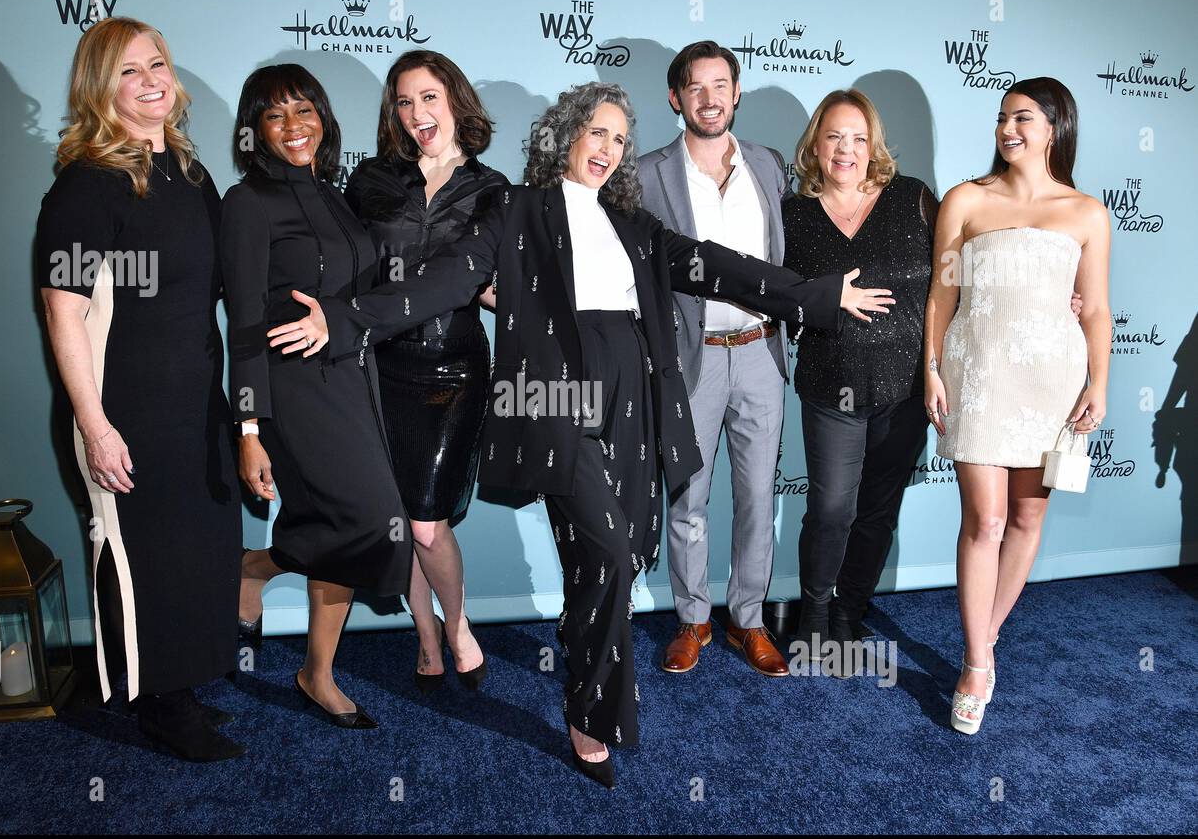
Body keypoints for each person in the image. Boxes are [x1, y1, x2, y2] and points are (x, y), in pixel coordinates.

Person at [278, 80, 888, 787]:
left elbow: (717, 266)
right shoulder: (517, 208)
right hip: (554, 395)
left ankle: (580, 639)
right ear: (566, 133)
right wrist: (348, 318)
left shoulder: (633, 226)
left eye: (620, 139)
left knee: (617, 555)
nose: (608, 148)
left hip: (633, 390)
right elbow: (450, 278)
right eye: (597, 131)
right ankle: (590, 709)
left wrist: (816, 295)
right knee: (603, 545)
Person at [223, 64, 485, 729]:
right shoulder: (246, 203)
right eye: (276, 115)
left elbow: (388, 278)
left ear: (324, 119)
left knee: (358, 528)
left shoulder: (337, 194)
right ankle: (262, 574)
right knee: (370, 521)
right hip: (293, 388)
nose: (293, 126)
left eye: (305, 110)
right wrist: (250, 424)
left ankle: (311, 661)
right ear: (254, 129)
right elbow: (245, 323)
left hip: (353, 379)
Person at [37, 17, 243, 761]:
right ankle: (156, 705)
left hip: (194, 404)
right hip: (122, 408)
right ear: (100, 88)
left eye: (157, 63)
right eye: (129, 71)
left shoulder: (189, 174)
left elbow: (229, 279)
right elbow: (63, 310)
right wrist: (95, 423)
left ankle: (179, 686)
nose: (151, 79)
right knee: (139, 555)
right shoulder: (88, 185)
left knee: (196, 548)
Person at [924, 76, 1110, 734]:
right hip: (978, 377)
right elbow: (942, 297)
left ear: (1054, 126)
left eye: (1023, 118)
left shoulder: (1087, 212)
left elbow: (1096, 309)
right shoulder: (966, 200)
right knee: (986, 520)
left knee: (1028, 519)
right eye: (1003, 117)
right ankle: (976, 663)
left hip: (1053, 383)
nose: (1008, 128)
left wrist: (1099, 383)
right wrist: (932, 368)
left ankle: (986, 642)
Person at [345, 50, 509, 692]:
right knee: (398, 515)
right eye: (405, 102)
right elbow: (347, 266)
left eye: (429, 97)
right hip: (380, 368)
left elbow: (493, 283)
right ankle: (425, 636)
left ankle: (459, 622)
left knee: (425, 520)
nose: (418, 113)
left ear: (454, 100)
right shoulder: (371, 182)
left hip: (453, 372)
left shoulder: (494, 189)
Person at [638, 40, 796, 680]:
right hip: (689, 359)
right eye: (696, 88)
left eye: (721, 85)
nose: (710, 98)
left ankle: (749, 620)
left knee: (759, 497)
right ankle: (692, 618)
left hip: (759, 353)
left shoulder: (768, 164)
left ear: (737, 92)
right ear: (676, 99)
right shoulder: (646, 174)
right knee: (688, 498)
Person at [782, 88, 936, 669]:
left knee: (877, 509)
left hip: (904, 390)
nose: (846, 149)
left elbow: (965, 269)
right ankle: (815, 613)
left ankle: (850, 613)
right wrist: (826, 298)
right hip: (830, 387)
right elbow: (776, 293)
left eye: (858, 138)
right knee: (830, 510)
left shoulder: (913, 198)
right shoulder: (791, 215)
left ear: (874, 145)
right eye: (834, 137)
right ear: (815, 146)